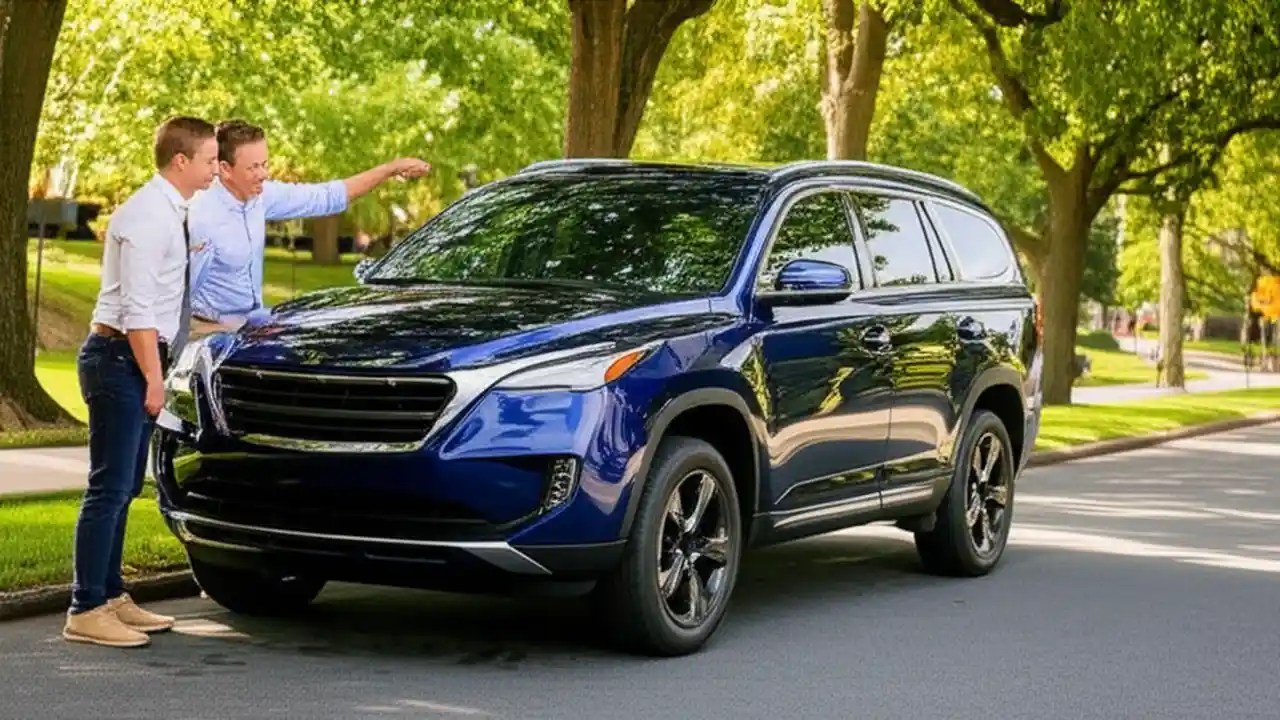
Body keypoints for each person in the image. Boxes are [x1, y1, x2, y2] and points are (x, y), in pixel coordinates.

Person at [64, 116, 219, 648]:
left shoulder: (169, 212)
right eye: (208, 159)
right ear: (182, 161)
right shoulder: (147, 217)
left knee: (126, 485)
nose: (213, 169)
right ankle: (85, 607)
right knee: (107, 487)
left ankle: (109, 595)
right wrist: (155, 379)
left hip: (134, 359)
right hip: (119, 359)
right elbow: (135, 312)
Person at [187, 119, 431, 330]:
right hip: (206, 332)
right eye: (253, 167)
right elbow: (174, 294)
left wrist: (389, 169)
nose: (263, 174)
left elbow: (328, 197)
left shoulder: (260, 197)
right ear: (224, 169)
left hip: (250, 325)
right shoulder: (201, 216)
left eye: (265, 164)